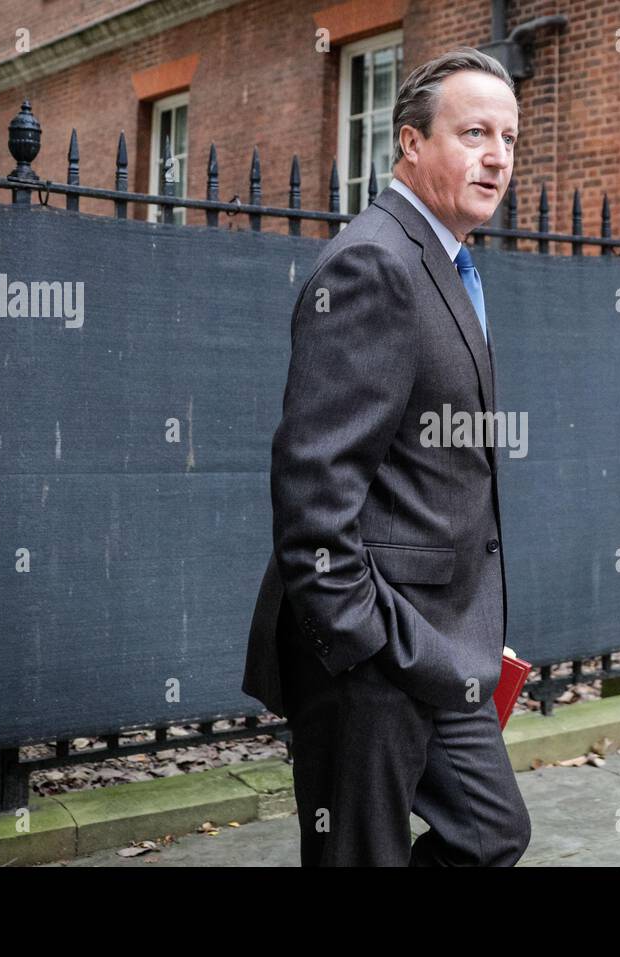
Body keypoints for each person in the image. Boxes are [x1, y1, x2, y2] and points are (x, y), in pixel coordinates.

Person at [240, 47, 532, 867]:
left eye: (509, 137)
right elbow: (312, 486)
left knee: (492, 831)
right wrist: (363, 641)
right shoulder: (376, 263)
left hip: (443, 648)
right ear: (409, 142)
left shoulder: (448, 261)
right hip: (374, 654)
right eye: (474, 132)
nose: (497, 156)